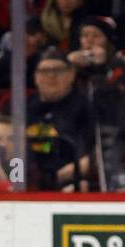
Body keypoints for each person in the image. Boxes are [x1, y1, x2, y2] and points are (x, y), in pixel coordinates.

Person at [25, 47, 93, 189]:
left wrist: (74, 172)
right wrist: (17, 183)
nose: (51, 76)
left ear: (71, 74)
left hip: (72, 184)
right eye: (44, 71)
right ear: (35, 77)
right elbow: (15, 155)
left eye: (57, 70)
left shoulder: (86, 108)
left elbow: (99, 153)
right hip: (30, 186)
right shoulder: (24, 110)